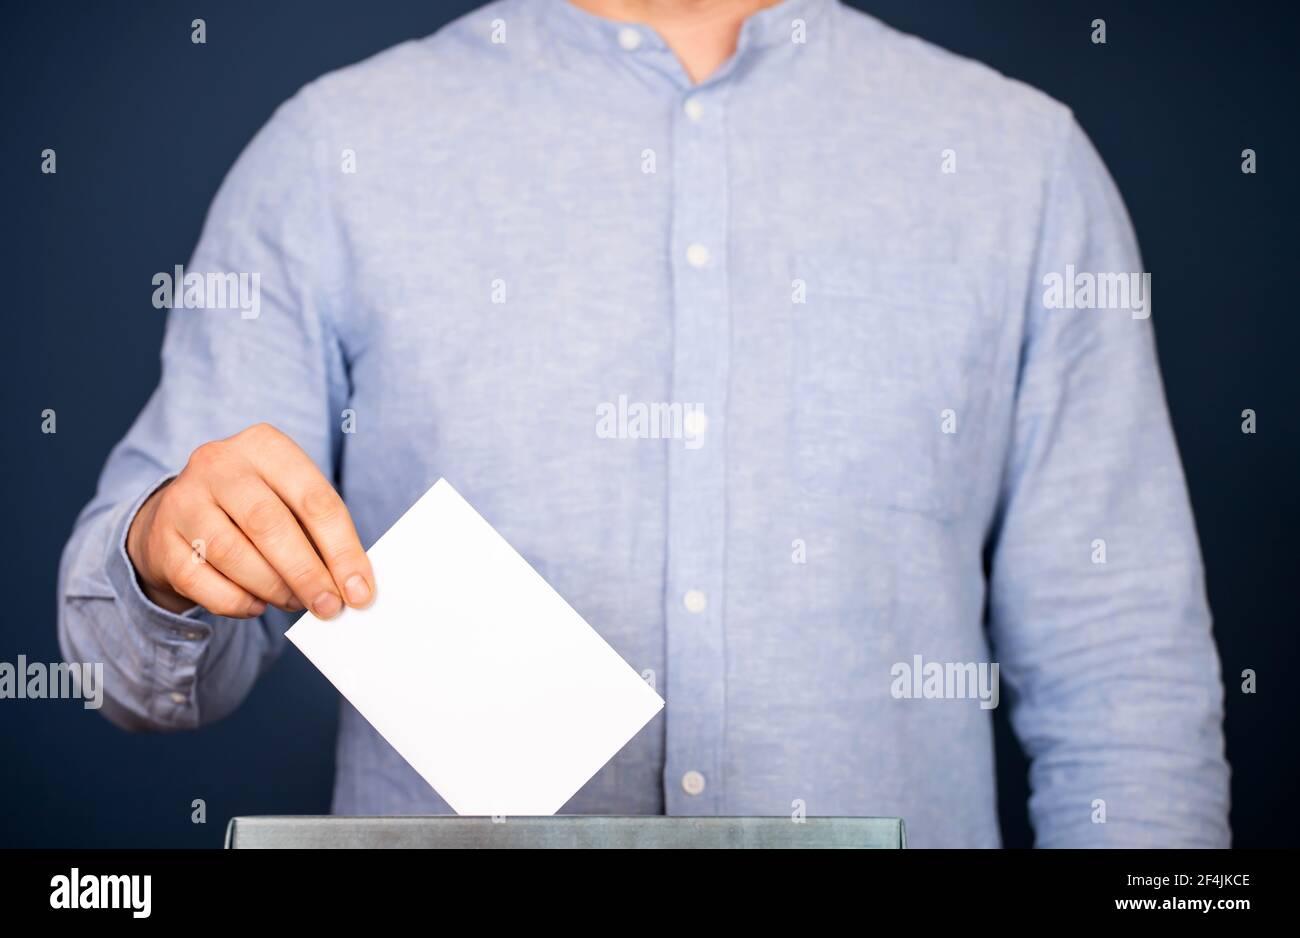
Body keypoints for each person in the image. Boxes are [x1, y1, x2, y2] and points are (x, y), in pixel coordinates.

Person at [57, 0, 1230, 846]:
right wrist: (170, 551)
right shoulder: (326, 155)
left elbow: (1124, 676)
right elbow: (132, 667)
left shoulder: (1021, 164)